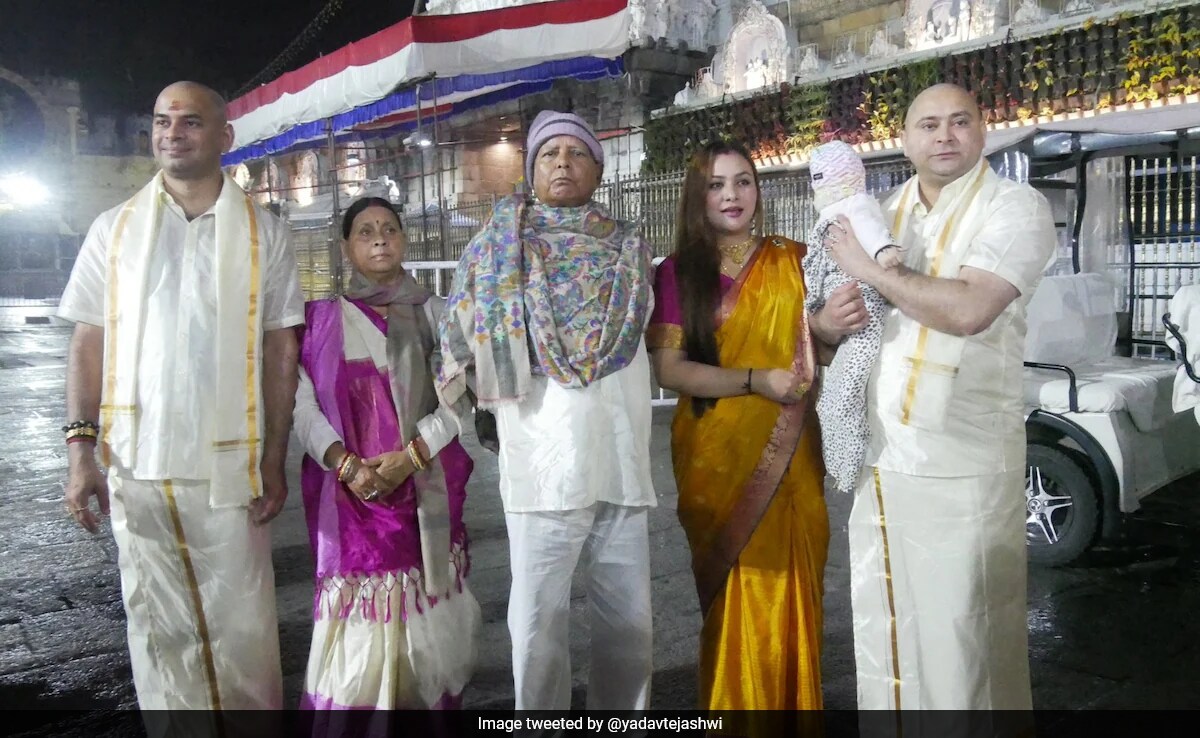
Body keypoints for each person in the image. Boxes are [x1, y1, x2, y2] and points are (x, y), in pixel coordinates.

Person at [57, 81, 303, 711]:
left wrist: (276, 456)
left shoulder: (264, 234)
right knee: (158, 631)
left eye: (190, 123)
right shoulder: (113, 230)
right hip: (135, 464)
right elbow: (89, 341)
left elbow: (282, 349)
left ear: (223, 136)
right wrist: (80, 452)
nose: (172, 134)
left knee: (242, 629)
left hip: (228, 468)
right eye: (163, 121)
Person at [825, 83, 1056, 712]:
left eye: (959, 122)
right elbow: (835, 327)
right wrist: (828, 320)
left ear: (984, 131)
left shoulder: (1015, 208)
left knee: (965, 635)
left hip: (965, 462)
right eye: (928, 125)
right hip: (882, 456)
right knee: (888, 627)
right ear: (904, 138)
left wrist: (874, 271)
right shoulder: (880, 213)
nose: (944, 136)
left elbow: (970, 309)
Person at [437, 110, 655, 710]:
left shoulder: (630, 250)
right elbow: (456, 343)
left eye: (576, 152)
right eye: (549, 153)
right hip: (540, 458)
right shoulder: (496, 250)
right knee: (536, 627)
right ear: (532, 169)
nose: (562, 162)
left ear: (598, 167)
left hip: (621, 457)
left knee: (630, 627)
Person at [646, 141, 867, 718]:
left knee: (794, 584)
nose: (732, 195)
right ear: (698, 197)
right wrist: (756, 381)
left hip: (793, 451)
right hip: (716, 456)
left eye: (743, 182)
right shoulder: (676, 273)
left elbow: (814, 349)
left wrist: (823, 327)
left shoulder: (792, 259)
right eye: (717, 185)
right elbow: (671, 371)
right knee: (736, 588)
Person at [293, 196, 481, 711]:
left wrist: (411, 456)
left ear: (404, 239)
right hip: (349, 498)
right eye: (365, 231)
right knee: (359, 623)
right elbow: (301, 405)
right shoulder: (319, 321)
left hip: (421, 492)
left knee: (423, 615)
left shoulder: (437, 314)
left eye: (389, 229)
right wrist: (345, 464)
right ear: (346, 247)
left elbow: (455, 400)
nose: (379, 238)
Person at [803, 140, 902, 494]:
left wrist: (881, 252)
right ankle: (844, 465)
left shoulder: (853, 206)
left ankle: (848, 466)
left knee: (843, 395)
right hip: (849, 308)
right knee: (837, 396)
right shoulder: (834, 213)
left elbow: (871, 229)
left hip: (865, 311)